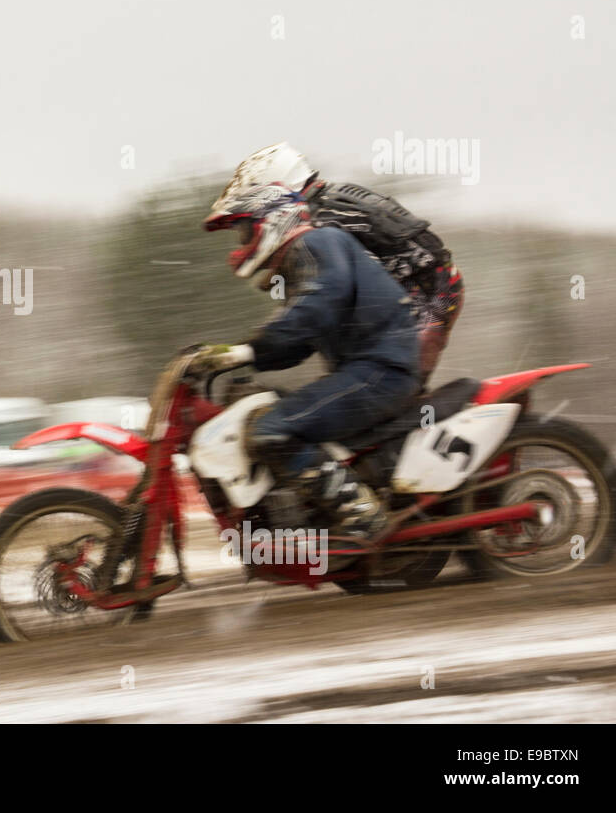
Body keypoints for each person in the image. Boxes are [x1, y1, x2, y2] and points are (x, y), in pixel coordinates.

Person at [190, 177, 422, 540]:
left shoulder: (316, 242)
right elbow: (300, 340)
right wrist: (239, 358)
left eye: (244, 230)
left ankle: (361, 513)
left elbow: (317, 305)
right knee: (265, 408)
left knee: (270, 431)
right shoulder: (305, 258)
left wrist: (248, 350)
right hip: (372, 370)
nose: (241, 244)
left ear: (271, 219)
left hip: (379, 371)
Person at [220, 143, 464, 381]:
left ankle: (424, 413)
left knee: (394, 373)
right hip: (421, 281)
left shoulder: (321, 216)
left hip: (431, 288)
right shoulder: (320, 205)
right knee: (354, 364)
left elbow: (333, 283)